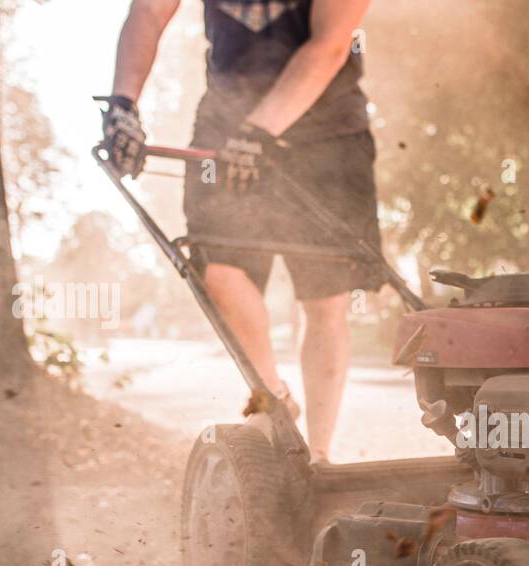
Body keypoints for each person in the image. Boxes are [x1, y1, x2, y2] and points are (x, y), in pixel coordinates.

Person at [99, 0, 381, 463]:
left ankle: (322, 457)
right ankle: (273, 398)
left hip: (329, 135)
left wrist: (259, 130)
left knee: (327, 300)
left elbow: (330, 45)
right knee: (217, 269)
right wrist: (123, 105)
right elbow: (149, 11)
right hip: (225, 122)